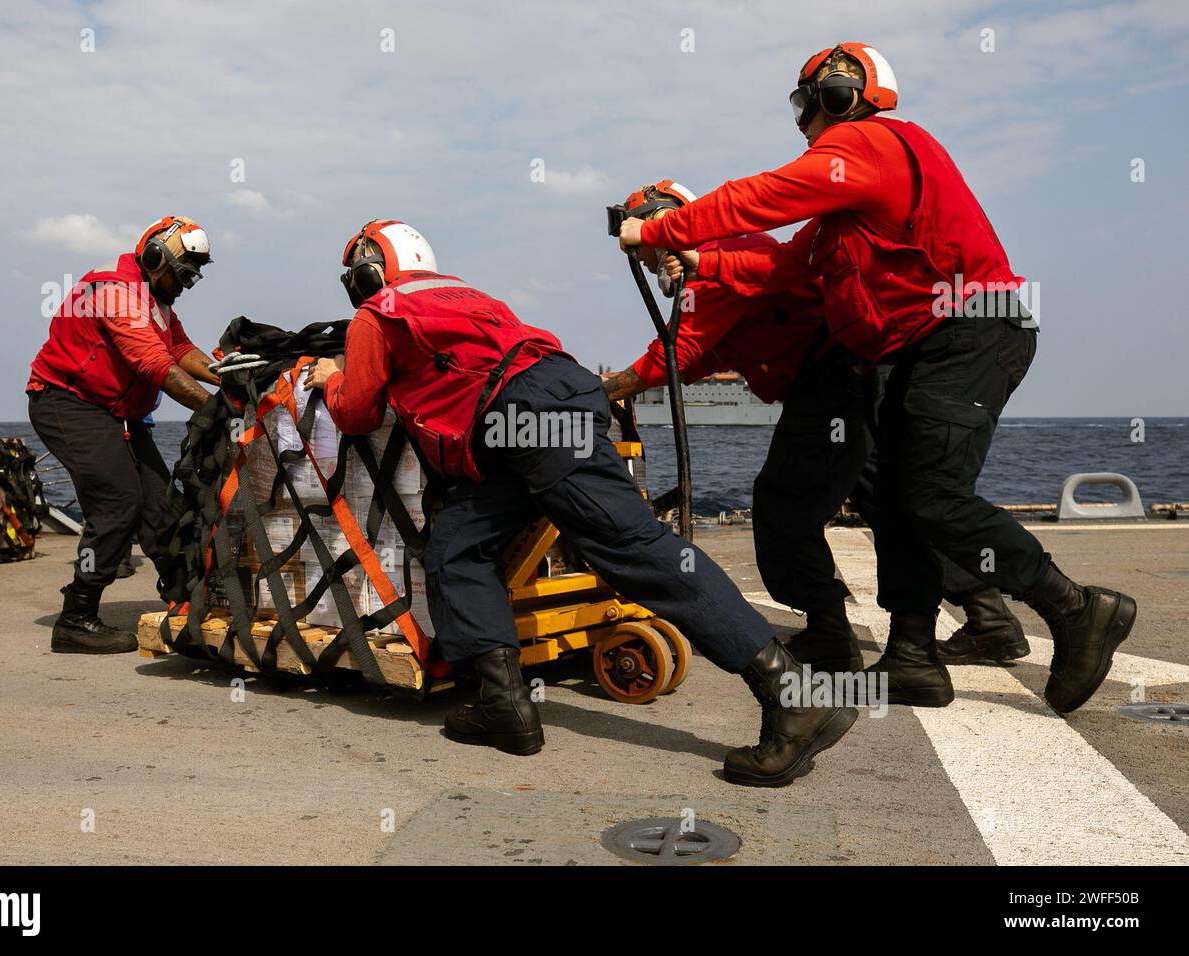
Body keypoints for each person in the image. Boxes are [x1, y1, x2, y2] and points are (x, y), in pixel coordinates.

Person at [618, 43, 1134, 714]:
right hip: (911, 348)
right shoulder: (841, 215)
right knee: (896, 504)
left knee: (933, 495)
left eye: (809, 106)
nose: (804, 125)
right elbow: (788, 272)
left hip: (969, 332)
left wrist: (666, 227)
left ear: (839, 96)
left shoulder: (872, 143)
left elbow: (765, 197)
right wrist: (703, 260)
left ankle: (1073, 607)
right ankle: (914, 655)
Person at [306, 217, 856, 786]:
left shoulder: (379, 314)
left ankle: (794, 698)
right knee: (457, 547)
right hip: (534, 411)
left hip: (525, 418)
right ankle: (505, 704)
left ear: (370, 272)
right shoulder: (463, 293)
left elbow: (359, 412)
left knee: (632, 546)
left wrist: (330, 379)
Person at [606, 183, 1027, 685]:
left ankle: (828, 630)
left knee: (783, 502)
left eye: (647, 245)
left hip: (828, 381)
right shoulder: (734, 251)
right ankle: (989, 615)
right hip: (852, 375)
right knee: (887, 499)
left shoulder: (719, 256)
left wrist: (606, 388)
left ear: (667, 223)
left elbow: (685, 349)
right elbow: (716, 349)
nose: (648, 259)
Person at [27, 216, 220, 654]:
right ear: (155, 259)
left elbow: (180, 351)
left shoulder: (157, 301)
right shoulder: (117, 294)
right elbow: (155, 365)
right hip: (68, 404)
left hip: (117, 414)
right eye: (184, 273)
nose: (187, 284)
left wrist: (228, 384)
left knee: (161, 508)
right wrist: (217, 412)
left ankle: (187, 602)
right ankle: (75, 618)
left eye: (194, 276)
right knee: (118, 503)